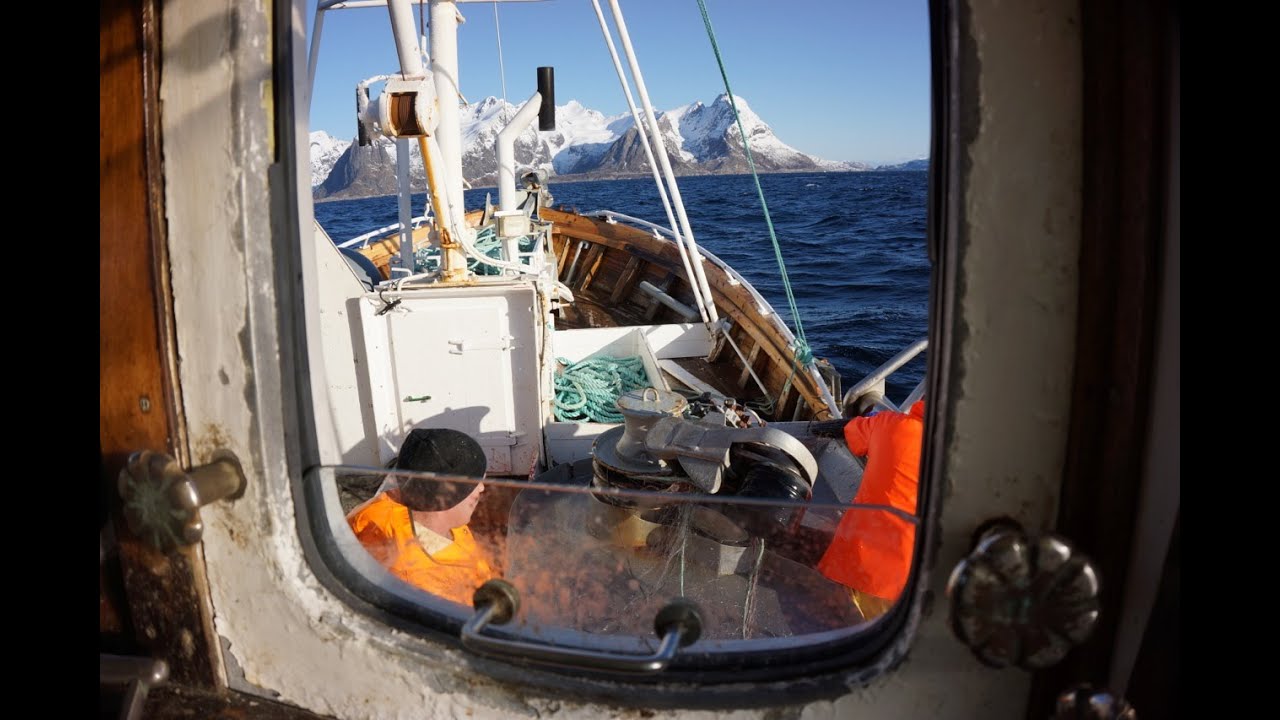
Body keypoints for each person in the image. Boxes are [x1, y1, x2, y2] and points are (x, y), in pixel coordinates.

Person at [346, 427, 497, 606]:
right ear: (447, 495)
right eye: (476, 482)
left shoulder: (404, 506)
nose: (482, 488)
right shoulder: (418, 575)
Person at [816, 398, 925, 621]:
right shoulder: (961, 456)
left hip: (853, 561)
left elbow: (853, 433)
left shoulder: (887, 423)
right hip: (909, 579)